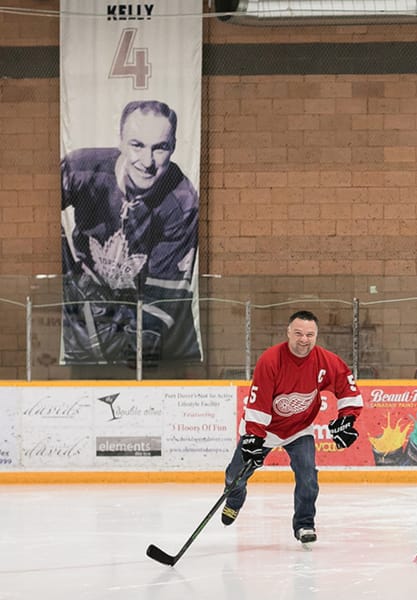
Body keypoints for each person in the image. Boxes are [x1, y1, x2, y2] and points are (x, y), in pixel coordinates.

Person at [60, 99, 200, 365]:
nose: (147, 162)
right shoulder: (81, 169)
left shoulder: (181, 201)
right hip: (86, 317)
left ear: (173, 147)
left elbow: (162, 297)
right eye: (137, 145)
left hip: (145, 320)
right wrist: (70, 277)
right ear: (121, 142)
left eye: (160, 148)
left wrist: (129, 353)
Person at [219, 310, 364, 545]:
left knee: (308, 476)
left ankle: (305, 524)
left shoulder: (325, 361)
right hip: (264, 429)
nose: (303, 339)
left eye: (309, 334)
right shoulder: (271, 360)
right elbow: (259, 401)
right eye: (298, 333)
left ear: (316, 335)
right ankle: (235, 500)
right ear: (288, 332)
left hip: (299, 428)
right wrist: (253, 437)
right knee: (234, 475)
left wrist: (347, 417)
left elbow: (348, 388)